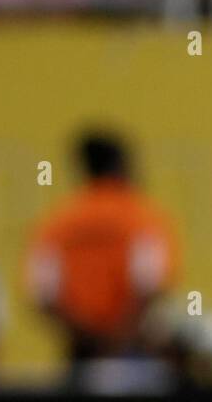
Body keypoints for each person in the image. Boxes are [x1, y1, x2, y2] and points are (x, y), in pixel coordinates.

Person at [25, 132, 180, 365]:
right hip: (134, 351)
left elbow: (45, 295)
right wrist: (117, 339)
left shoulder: (57, 223)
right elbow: (151, 285)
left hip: (81, 352)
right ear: (122, 166)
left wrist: (89, 338)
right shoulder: (142, 218)